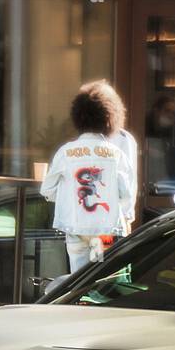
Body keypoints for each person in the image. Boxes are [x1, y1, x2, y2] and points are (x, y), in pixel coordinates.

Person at [41, 85, 137, 273]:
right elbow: (126, 193)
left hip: (75, 227)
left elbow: (47, 190)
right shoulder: (115, 154)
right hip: (105, 229)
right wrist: (126, 217)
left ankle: (79, 303)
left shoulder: (65, 152)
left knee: (78, 279)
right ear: (110, 118)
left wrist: (66, 195)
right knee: (100, 279)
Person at [78, 80, 138, 230]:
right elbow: (127, 183)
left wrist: (126, 215)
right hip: (104, 217)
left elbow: (127, 182)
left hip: (91, 217)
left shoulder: (122, 139)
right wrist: (127, 216)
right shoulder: (123, 139)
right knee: (107, 253)